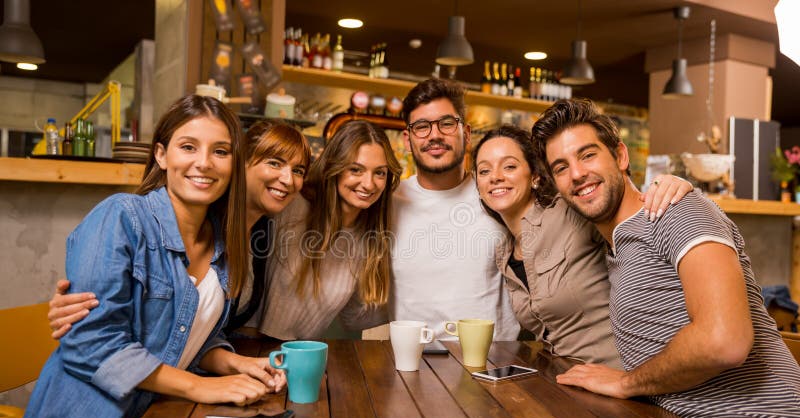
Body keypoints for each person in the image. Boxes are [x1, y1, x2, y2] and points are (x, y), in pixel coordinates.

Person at [9, 95, 286, 418]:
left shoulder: (224, 240)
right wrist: (199, 388)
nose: (204, 163)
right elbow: (91, 345)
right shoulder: (122, 217)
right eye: (188, 146)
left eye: (221, 151)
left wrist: (240, 365)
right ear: (161, 155)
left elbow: (190, 334)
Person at [533, 98, 800, 418]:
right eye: (561, 167)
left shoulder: (675, 209)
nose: (577, 174)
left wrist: (627, 383)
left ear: (621, 156)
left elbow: (726, 340)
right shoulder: (617, 247)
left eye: (588, 155)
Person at [47, 119, 312, 338]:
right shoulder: (197, 221)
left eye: (298, 170)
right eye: (274, 163)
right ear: (239, 164)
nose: (288, 179)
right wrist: (87, 303)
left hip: (199, 373)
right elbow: (112, 326)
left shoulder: (264, 229)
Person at [472, 125, 692, 366]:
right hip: (567, 381)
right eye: (484, 171)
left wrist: (671, 184)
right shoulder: (504, 251)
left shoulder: (568, 211)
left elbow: (621, 202)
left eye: (510, 166)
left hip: (628, 375)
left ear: (535, 175)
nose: (495, 177)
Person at [390, 78, 519, 339]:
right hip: (413, 364)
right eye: (422, 127)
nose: (435, 135)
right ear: (407, 139)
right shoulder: (387, 204)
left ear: (467, 134)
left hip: (493, 364)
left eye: (447, 124)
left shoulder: (498, 196)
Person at [255, 120, 401, 339]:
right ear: (335, 167)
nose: (369, 184)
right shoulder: (291, 206)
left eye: (379, 173)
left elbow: (354, 317)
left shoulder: (366, 237)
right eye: (355, 169)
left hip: (300, 359)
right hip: (241, 349)